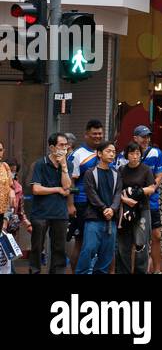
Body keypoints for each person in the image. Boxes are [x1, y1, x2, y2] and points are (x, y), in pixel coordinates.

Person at [27, 131, 73, 274]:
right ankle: (34, 271)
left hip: (60, 212)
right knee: (37, 247)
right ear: (52, 147)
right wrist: (57, 189)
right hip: (40, 213)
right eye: (61, 145)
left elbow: (66, 187)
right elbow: (36, 189)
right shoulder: (40, 164)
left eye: (66, 145)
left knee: (59, 249)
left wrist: (64, 167)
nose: (64, 148)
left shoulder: (68, 164)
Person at [126, 125, 162, 273]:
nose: (146, 139)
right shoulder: (126, 154)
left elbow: (160, 175)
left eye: (148, 136)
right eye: (143, 137)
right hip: (132, 203)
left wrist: (151, 188)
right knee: (133, 238)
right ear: (135, 138)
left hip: (152, 201)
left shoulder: (156, 153)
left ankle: (157, 270)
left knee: (156, 235)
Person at [75, 141, 120, 275]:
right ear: (99, 154)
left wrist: (112, 209)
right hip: (94, 218)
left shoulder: (116, 173)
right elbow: (91, 193)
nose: (112, 154)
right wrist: (104, 209)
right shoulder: (90, 173)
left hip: (111, 219)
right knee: (88, 250)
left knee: (107, 253)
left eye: (113, 151)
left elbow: (118, 193)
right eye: (108, 151)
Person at [67, 118, 105, 270]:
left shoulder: (105, 151)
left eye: (100, 133)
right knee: (81, 242)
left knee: (100, 243)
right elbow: (71, 182)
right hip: (82, 203)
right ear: (86, 135)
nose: (97, 136)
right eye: (94, 133)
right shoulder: (78, 154)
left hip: (102, 204)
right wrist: (70, 204)